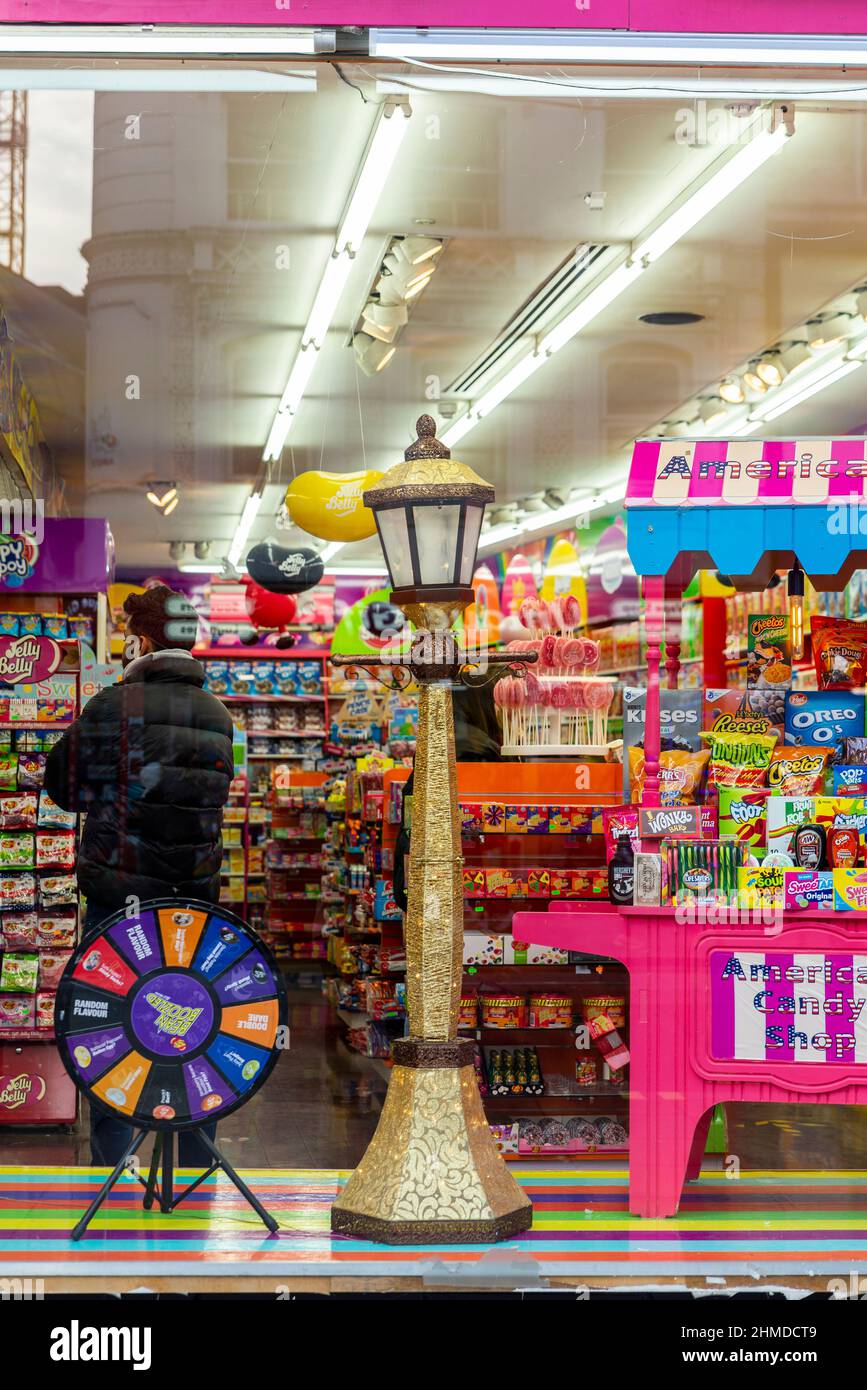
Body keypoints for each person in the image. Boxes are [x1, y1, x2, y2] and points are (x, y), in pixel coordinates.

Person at [45, 584, 234, 1168]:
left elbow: (64, 788)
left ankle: (116, 1160)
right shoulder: (219, 715)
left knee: (112, 1029)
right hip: (192, 902)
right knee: (190, 1020)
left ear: (143, 640)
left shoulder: (114, 705)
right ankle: (196, 1160)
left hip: (118, 900)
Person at [393, 682, 502, 914]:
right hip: (484, 896)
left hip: (435, 896)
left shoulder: (431, 757)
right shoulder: (487, 758)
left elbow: (410, 833)